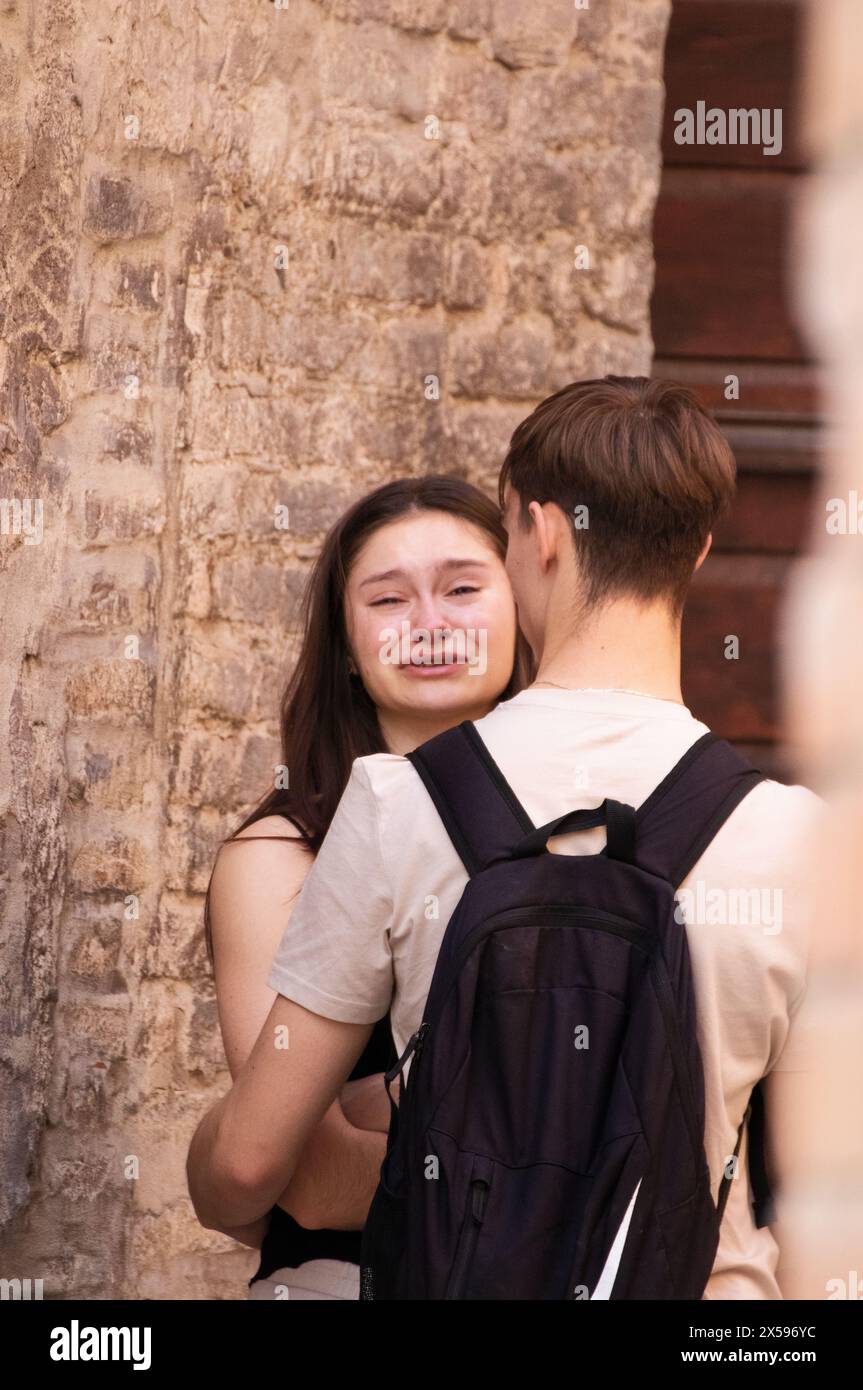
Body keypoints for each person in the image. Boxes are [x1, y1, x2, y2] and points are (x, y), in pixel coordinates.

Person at [188, 376, 820, 1299]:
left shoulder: (398, 802)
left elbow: (249, 1167)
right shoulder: (801, 838)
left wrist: (217, 1160)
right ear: (700, 551)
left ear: (542, 533)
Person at [203, 474, 531, 1299]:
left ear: (521, 605)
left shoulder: (595, 821)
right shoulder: (280, 858)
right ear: (347, 648)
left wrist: (389, 1101)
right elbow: (310, 1185)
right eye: (388, 601)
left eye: (462, 587)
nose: (430, 624)